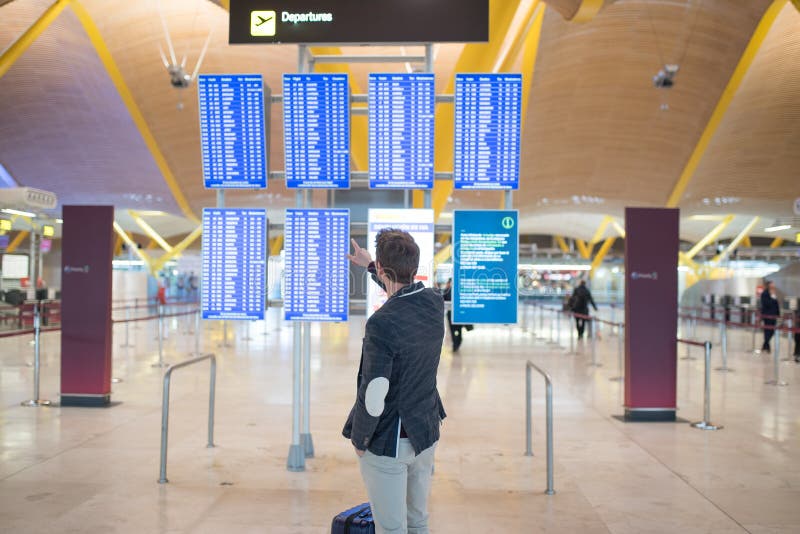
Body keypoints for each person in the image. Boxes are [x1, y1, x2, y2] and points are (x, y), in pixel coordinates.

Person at [344, 230, 446, 534]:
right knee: (417, 521)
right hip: (425, 432)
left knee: (391, 528)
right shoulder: (433, 302)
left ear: (386, 271)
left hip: (391, 440)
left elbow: (375, 392)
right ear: (414, 268)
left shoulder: (381, 323)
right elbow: (401, 291)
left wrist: (361, 439)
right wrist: (373, 266)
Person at [442, 278, 470, 352]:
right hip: (451, 314)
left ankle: (458, 342)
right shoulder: (446, 291)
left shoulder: (460, 291)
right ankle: (455, 344)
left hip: (458, 314)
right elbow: (443, 302)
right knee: (453, 330)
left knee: (458, 329)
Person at [760, 280, 779, 353]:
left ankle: (765, 345)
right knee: (767, 330)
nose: (773, 286)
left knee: (772, 331)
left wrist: (778, 314)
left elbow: (776, 305)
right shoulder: (764, 294)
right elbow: (767, 304)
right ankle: (767, 346)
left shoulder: (773, 293)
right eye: (772, 284)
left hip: (774, 315)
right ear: (768, 286)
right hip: (767, 315)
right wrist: (773, 298)